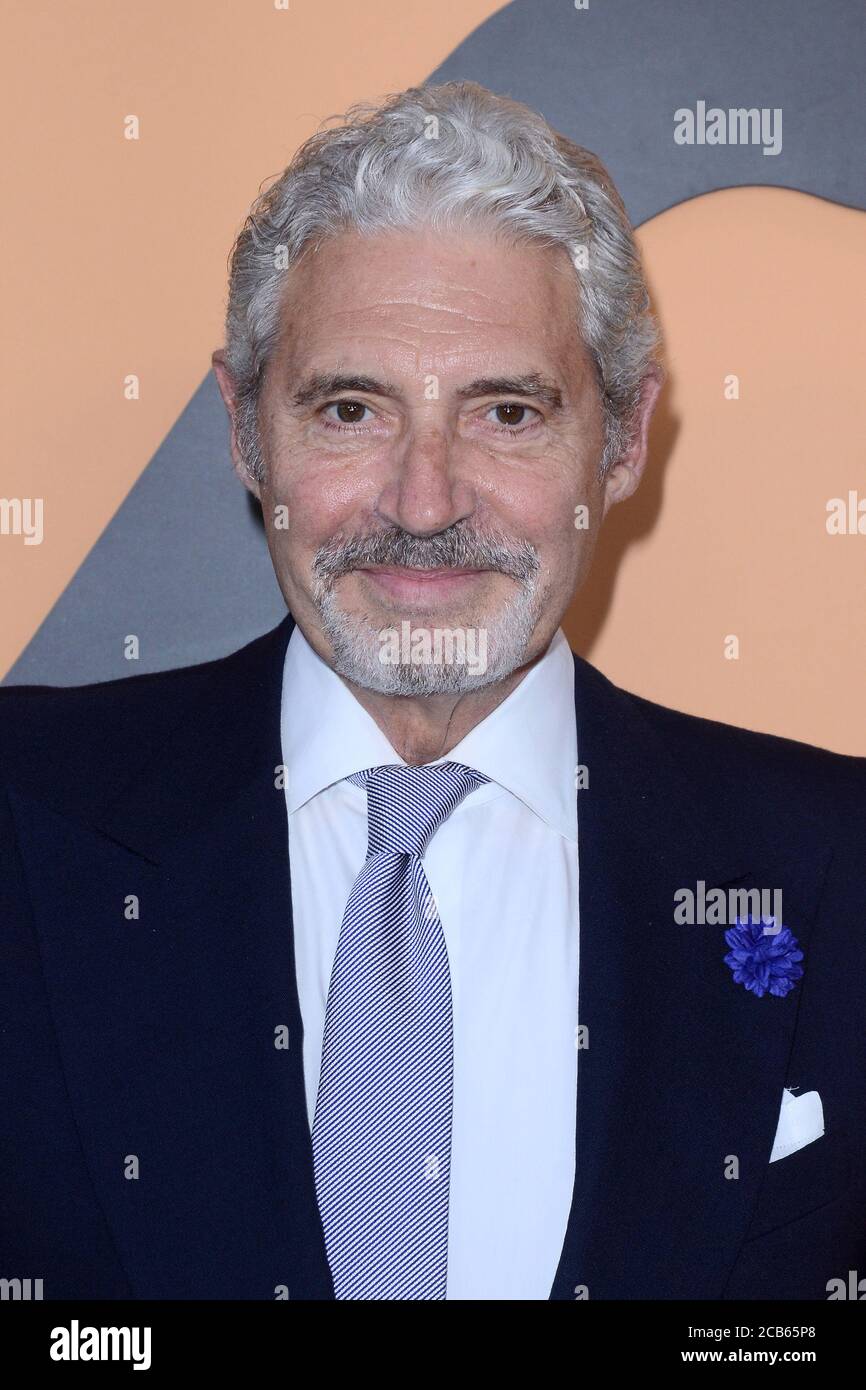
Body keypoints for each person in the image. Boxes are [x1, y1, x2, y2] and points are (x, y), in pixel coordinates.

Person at [1, 81, 863, 1302]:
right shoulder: (22, 823)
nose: (422, 503)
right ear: (245, 433)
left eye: (506, 412)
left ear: (621, 442)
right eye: (350, 409)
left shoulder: (835, 866)